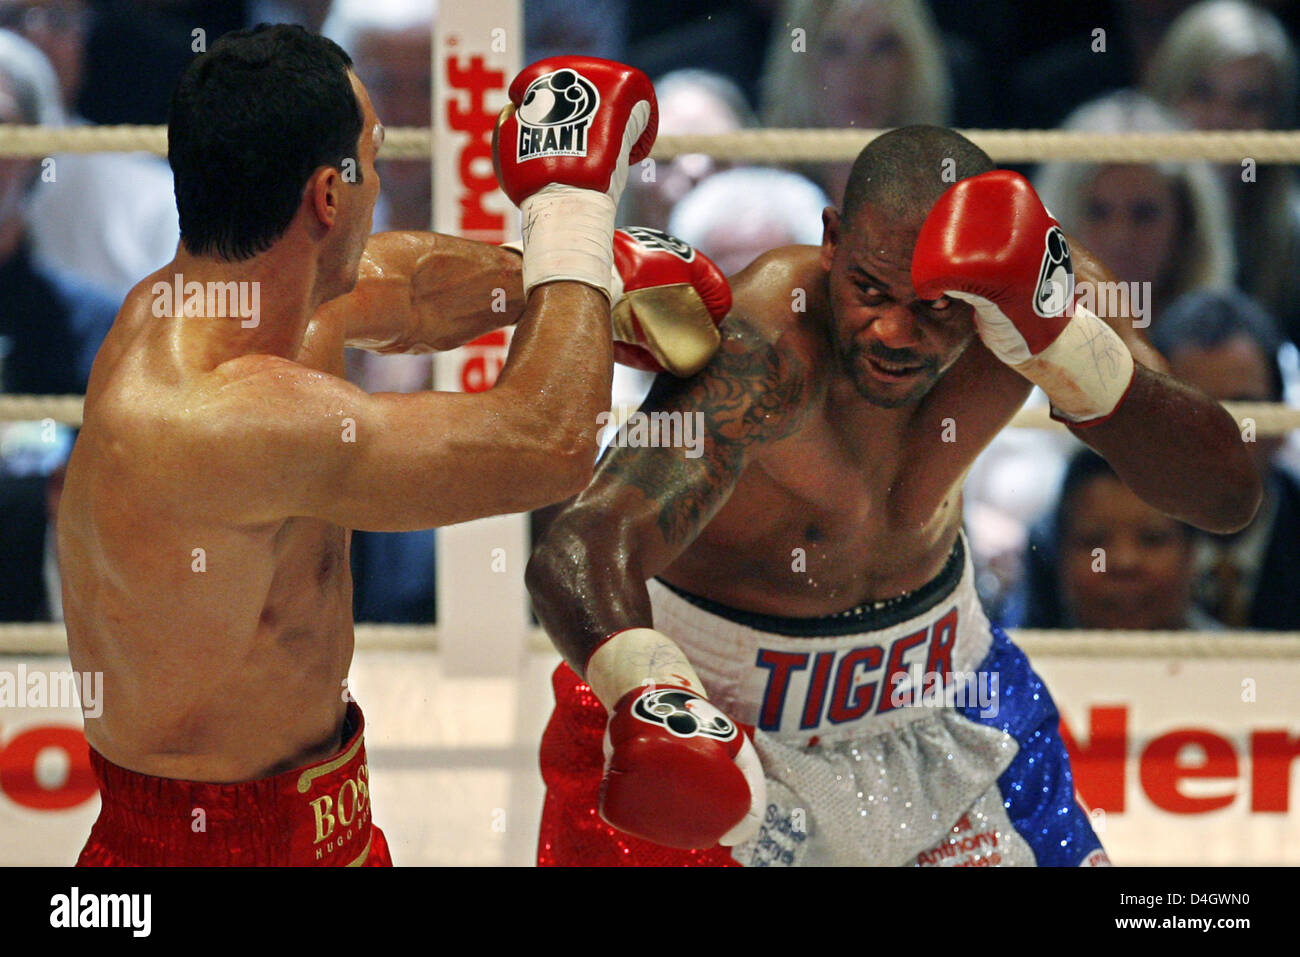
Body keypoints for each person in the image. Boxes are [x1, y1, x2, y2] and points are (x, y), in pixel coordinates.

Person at [527, 125, 1261, 867]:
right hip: (721, 732)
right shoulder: (769, 343)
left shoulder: (1046, 297)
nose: (894, 330)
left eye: (937, 307)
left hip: (947, 701)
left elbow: (1227, 494)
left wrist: (1061, 343)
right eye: (869, 290)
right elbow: (585, 545)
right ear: (832, 242)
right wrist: (655, 697)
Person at [60, 26, 667, 866]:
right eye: (372, 156)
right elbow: (547, 440)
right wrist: (575, 214)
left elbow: (412, 286)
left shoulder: (237, 303)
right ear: (328, 196)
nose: (381, 179)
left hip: (331, 821)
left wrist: (600, 277)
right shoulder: (213, 415)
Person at [1145, 0, 1300, 347]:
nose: (1221, 120)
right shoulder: (1119, 211)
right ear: (1165, 95)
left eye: (1248, 102)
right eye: (1201, 93)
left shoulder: (1294, 242)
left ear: (1276, 121)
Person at [1151, 289, 1300, 629]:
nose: (1218, 436)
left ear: (1281, 423)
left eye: (1242, 408)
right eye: (1192, 410)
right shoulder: (1084, 539)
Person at [1017, 448, 1220, 631]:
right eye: (1094, 541)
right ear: (1061, 553)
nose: (1124, 562)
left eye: (1152, 539)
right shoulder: (1015, 668)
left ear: (1191, 551)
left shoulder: (1241, 662)